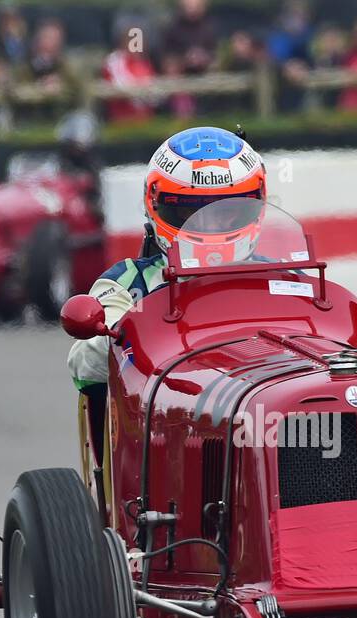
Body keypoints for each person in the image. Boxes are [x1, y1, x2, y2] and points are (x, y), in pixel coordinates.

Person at [67, 126, 266, 429]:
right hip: (166, 422)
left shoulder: (280, 277)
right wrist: (128, 330)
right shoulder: (128, 282)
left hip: (264, 413)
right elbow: (84, 368)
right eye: (189, 212)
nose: (209, 226)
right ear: (155, 204)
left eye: (227, 211)